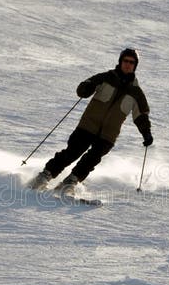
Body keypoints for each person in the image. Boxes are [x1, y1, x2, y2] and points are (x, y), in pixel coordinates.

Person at [30, 48, 153, 194]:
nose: (128, 64)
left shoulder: (136, 93)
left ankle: (69, 183)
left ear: (135, 66)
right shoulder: (105, 77)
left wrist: (146, 133)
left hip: (109, 134)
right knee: (72, 152)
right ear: (120, 62)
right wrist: (85, 88)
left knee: (91, 160)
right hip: (88, 126)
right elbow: (83, 88)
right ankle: (44, 176)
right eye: (125, 61)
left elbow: (141, 115)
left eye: (131, 62)